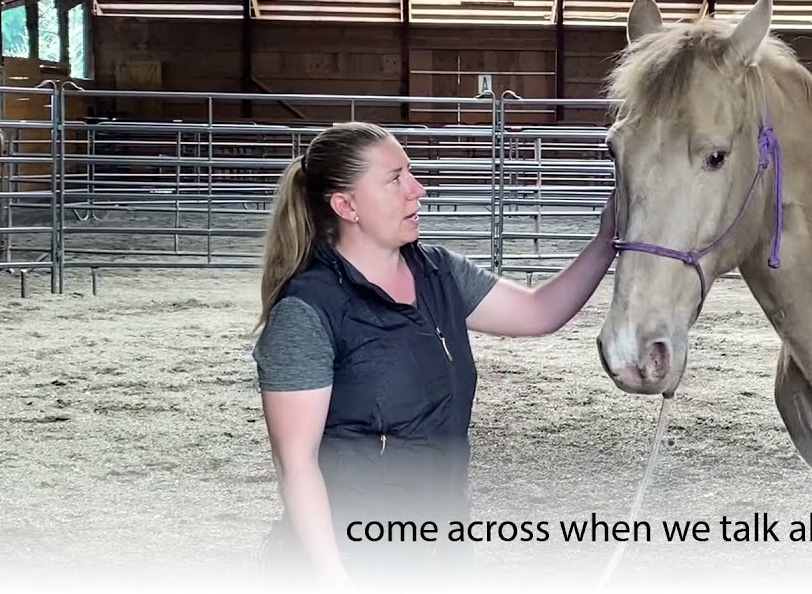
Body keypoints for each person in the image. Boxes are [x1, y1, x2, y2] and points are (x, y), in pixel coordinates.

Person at [250, 121, 615, 590]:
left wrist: (606, 243)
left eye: (412, 173)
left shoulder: (440, 273)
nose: (417, 191)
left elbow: (539, 311)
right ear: (346, 206)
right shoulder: (307, 312)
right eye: (395, 179)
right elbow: (296, 468)